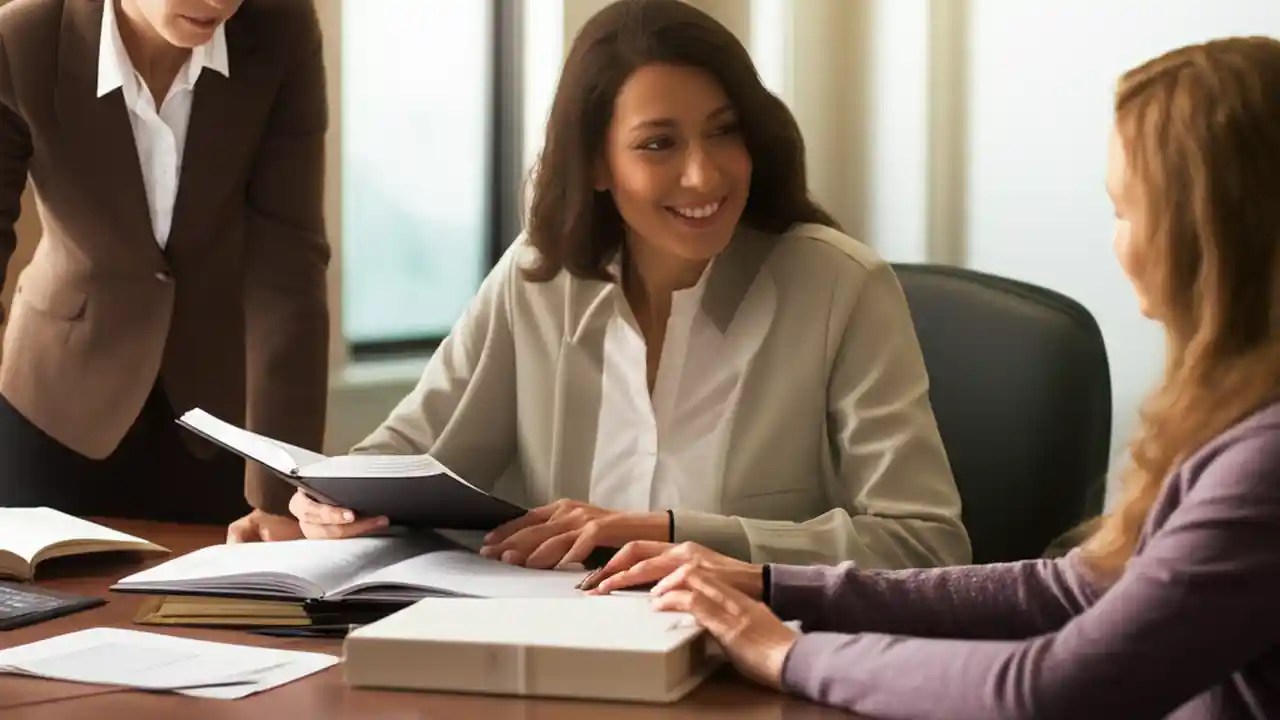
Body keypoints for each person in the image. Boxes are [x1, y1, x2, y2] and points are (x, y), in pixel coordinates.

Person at [584, 36, 1280, 720]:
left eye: (1125, 210)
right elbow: (1075, 589)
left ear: (1206, 229)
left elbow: (1051, 688)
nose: (1117, 241)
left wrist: (787, 654)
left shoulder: (1264, 463)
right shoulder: (1240, 415)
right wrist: (774, 585)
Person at [270, 0, 971, 571]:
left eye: (723, 133)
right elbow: (409, 458)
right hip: (554, 655)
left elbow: (926, 545)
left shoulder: (841, 288)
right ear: (598, 164)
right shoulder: (537, 277)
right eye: (658, 144)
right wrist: (330, 503)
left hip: (758, 667)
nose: (705, 176)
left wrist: (674, 532)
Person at [0, 0, 330, 527]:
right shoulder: (21, 40)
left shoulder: (280, 30)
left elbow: (290, 266)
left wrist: (281, 491)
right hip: (54, 407)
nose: (221, 2)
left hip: (218, 416)